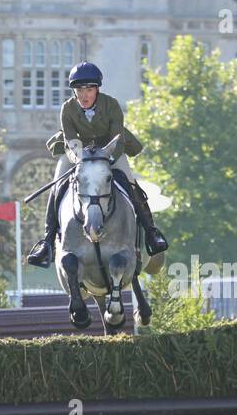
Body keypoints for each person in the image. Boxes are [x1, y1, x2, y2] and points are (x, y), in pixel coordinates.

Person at [26, 61, 169, 268]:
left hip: (110, 150)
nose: (84, 95)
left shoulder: (111, 105)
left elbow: (117, 139)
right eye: (79, 90)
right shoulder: (67, 108)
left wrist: (105, 160)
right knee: (57, 186)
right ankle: (47, 242)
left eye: (89, 89)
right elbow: (72, 141)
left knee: (129, 183)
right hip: (77, 152)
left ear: (97, 90)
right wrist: (82, 161)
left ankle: (151, 232)